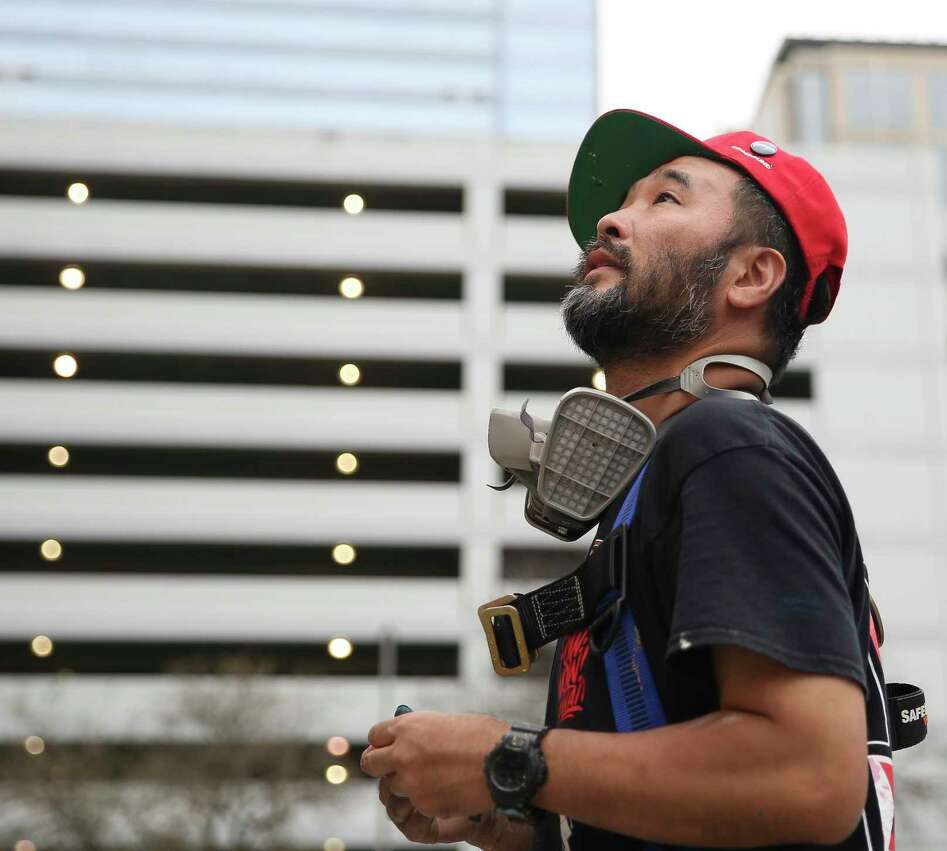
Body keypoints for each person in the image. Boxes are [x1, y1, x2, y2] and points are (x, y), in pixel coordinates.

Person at [360, 109, 899, 851]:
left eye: (665, 200)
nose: (611, 219)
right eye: (625, 201)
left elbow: (807, 776)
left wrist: (506, 758)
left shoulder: (727, 446)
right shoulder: (655, 490)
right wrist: (509, 820)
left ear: (751, 275)